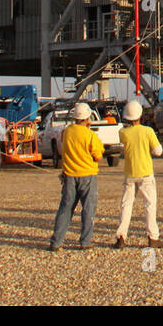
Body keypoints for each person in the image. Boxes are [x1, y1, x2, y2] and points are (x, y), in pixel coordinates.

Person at [48, 102, 105, 251]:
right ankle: (85, 242)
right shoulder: (90, 135)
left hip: (69, 175)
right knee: (88, 209)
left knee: (65, 209)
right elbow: (98, 156)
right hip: (88, 175)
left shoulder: (66, 132)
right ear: (88, 118)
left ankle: (56, 241)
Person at [113, 100, 163, 249]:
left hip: (130, 173)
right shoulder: (147, 131)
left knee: (126, 205)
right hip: (146, 172)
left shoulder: (122, 133)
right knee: (149, 205)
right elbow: (158, 151)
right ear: (140, 115)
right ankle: (152, 238)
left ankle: (121, 237)